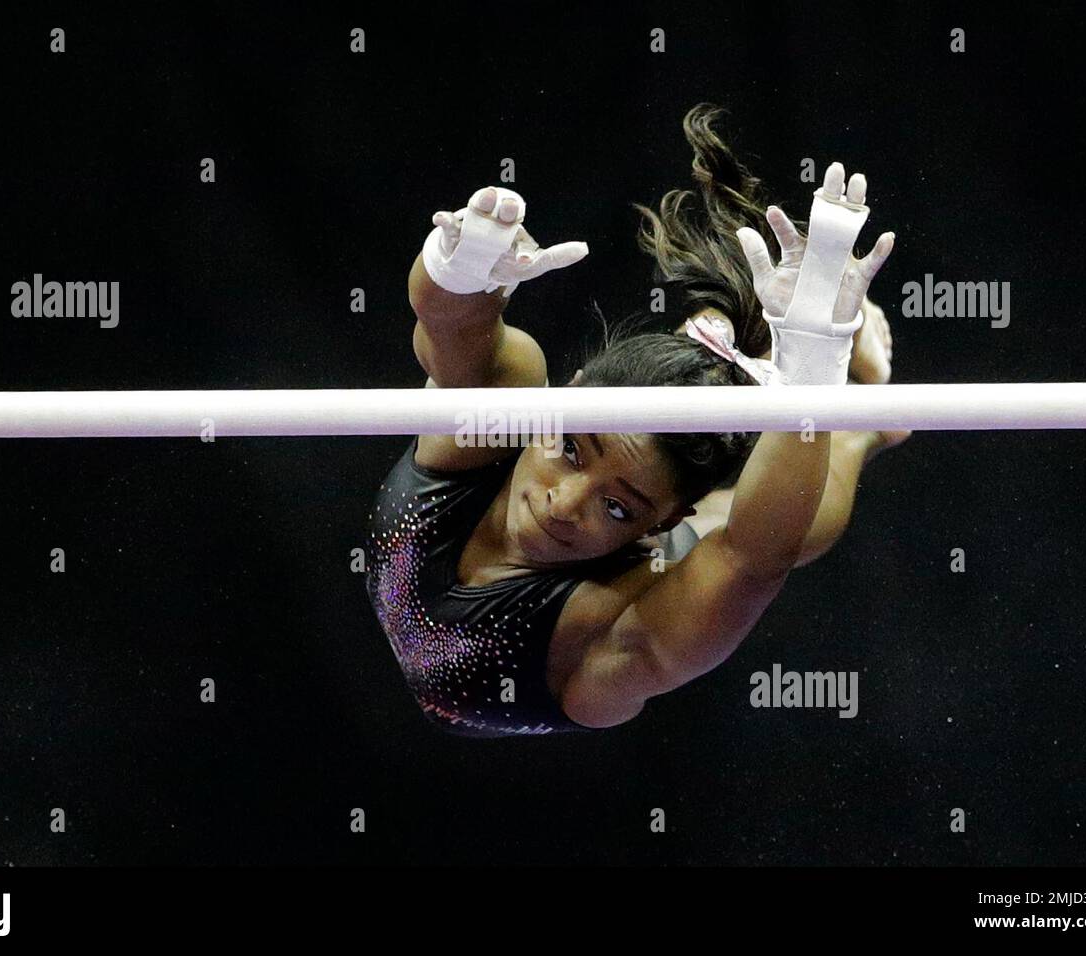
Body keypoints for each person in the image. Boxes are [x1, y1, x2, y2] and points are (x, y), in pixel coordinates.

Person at [365, 104, 907, 737]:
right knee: (521, 399)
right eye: (569, 449)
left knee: (789, 525)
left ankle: (861, 407)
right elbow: (447, 328)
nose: (564, 505)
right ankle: (748, 362)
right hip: (627, 481)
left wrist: (817, 371)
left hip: (642, 561)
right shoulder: (506, 409)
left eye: (617, 507)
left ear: (663, 521)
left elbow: (755, 558)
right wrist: (457, 272)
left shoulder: (603, 634)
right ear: (564, 399)